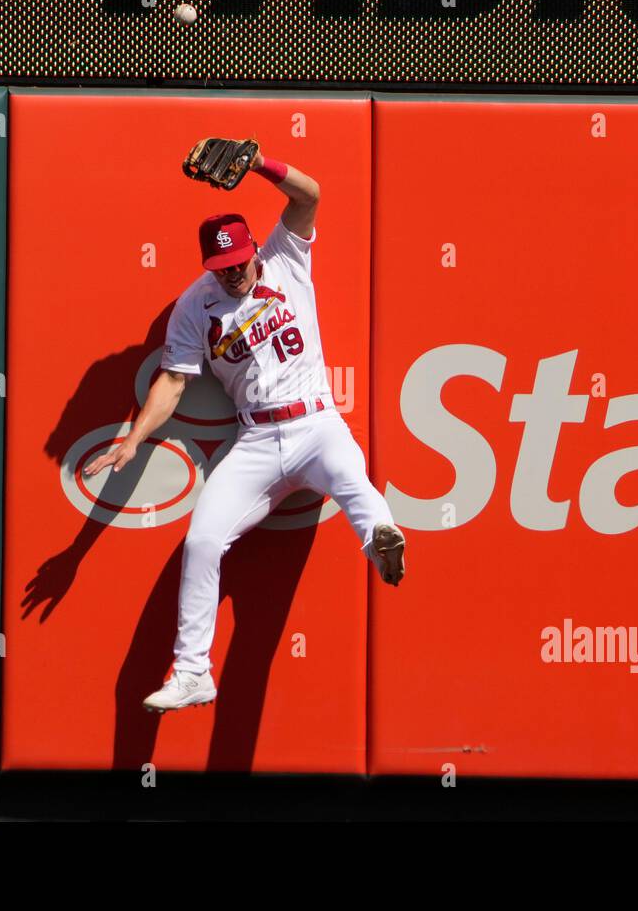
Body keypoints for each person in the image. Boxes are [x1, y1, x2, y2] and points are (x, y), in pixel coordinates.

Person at [83, 146, 406, 713]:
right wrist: (133, 440)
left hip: (315, 420)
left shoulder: (285, 257)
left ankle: (384, 543)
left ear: (255, 248)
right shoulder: (195, 305)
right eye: (221, 267)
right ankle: (192, 674)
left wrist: (260, 163)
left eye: (239, 262)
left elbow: (310, 195)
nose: (233, 274)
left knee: (354, 482)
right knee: (203, 540)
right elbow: (173, 383)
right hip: (255, 440)